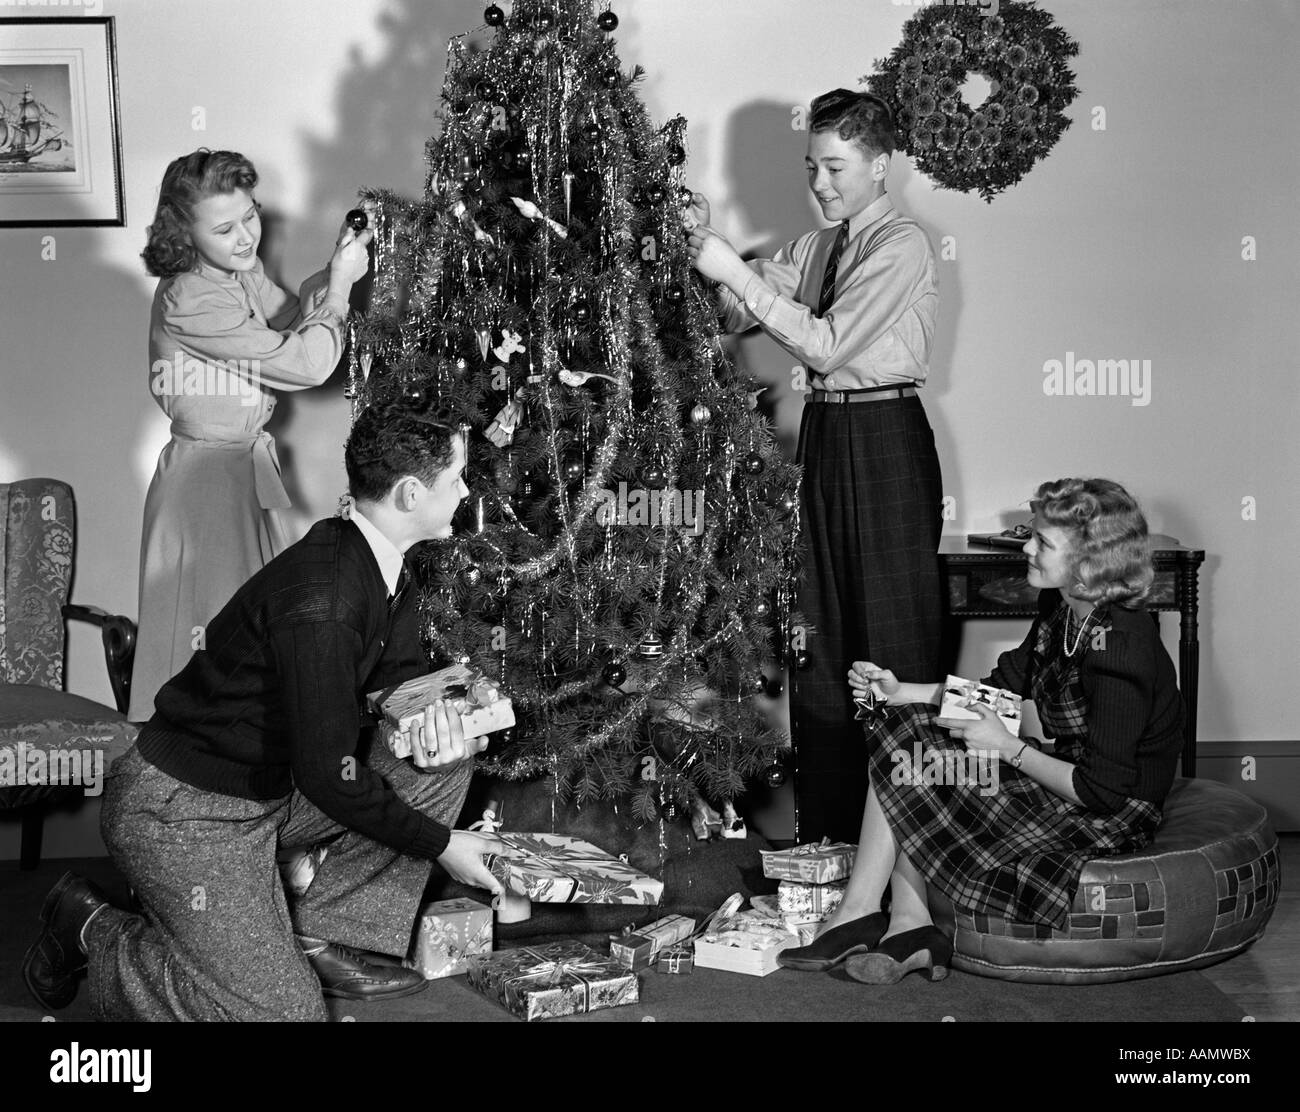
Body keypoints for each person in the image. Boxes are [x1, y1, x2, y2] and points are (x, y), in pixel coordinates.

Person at [22, 403, 506, 1020]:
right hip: (186, 811)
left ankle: (317, 938)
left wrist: (446, 731)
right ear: (411, 493)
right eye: (458, 479)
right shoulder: (325, 599)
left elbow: (397, 684)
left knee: (438, 768)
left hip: (272, 792)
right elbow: (330, 775)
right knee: (283, 1017)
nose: (466, 492)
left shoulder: (381, 563)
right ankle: (95, 929)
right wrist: (442, 845)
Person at [776, 478, 1185, 984]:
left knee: (921, 758)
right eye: (1032, 536)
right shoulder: (1063, 610)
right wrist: (901, 691)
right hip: (1063, 776)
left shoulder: (1122, 647)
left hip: (1108, 812)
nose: (1026, 549)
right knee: (907, 727)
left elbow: (1102, 792)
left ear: (1090, 563)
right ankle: (902, 919)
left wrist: (1008, 749)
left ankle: (885, 918)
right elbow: (1001, 688)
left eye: (1043, 543)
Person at [685, 89, 943, 843]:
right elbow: (742, 305)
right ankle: (826, 849)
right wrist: (698, 255)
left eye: (836, 168)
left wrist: (733, 269)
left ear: (881, 164)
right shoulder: (818, 246)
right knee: (819, 643)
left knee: (893, 643)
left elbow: (825, 344)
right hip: (824, 438)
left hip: (887, 437)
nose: (821, 185)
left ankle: (907, 864)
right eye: (812, 169)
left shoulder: (903, 245)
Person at [128, 149, 373, 722]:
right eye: (224, 227)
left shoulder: (237, 269)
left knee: (252, 639)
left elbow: (288, 320)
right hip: (205, 488)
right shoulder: (191, 297)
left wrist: (336, 266)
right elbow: (306, 363)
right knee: (214, 644)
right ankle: (194, 793)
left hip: (240, 472)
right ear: (182, 230)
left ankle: (245, 786)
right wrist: (339, 288)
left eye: (250, 216)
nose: (245, 237)